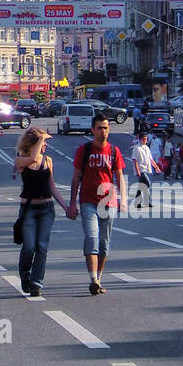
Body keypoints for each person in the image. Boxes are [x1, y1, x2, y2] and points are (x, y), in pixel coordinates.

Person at [67, 113, 129, 295]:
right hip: (88, 202)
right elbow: (75, 178)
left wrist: (123, 199)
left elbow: (119, 177)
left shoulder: (113, 151)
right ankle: (93, 278)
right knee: (92, 238)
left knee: (104, 243)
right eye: (100, 128)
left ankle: (99, 278)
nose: (104, 131)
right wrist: (72, 204)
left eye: (106, 128)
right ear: (93, 129)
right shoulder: (84, 150)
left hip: (109, 203)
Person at [12, 127, 71, 297]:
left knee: (42, 247)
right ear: (34, 143)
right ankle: (24, 273)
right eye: (43, 142)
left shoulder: (48, 161)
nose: (45, 146)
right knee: (29, 246)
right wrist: (40, 139)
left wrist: (66, 207)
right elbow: (31, 159)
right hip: (28, 210)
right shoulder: (21, 159)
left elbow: (52, 187)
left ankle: (37, 283)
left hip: (46, 209)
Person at [129, 129, 160, 210]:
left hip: (146, 168)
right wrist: (137, 170)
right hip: (141, 169)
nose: (145, 141)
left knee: (141, 186)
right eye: (143, 139)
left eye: (146, 139)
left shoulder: (146, 147)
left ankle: (138, 202)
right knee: (148, 184)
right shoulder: (136, 147)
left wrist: (156, 167)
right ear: (140, 139)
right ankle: (147, 201)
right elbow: (134, 159)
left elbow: (151, 159)